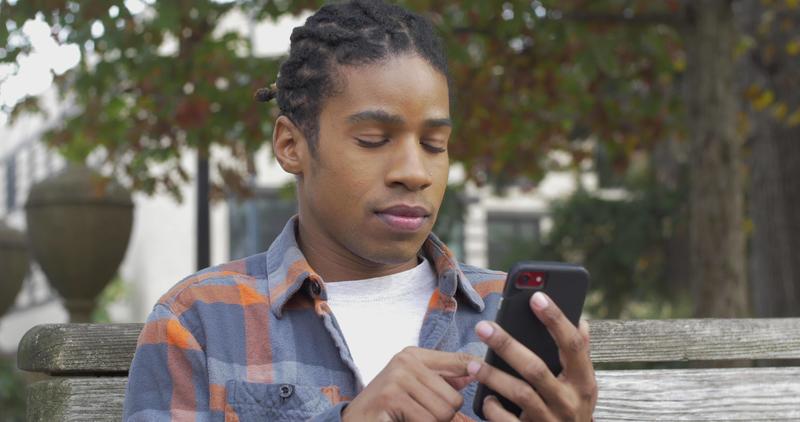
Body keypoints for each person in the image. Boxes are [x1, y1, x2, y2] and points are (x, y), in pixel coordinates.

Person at [123, 1, 597, 420]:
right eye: (374, 140)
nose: (415, 172)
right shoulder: (200, 321)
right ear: (291, 145)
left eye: (435, 144)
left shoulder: (506, 319)